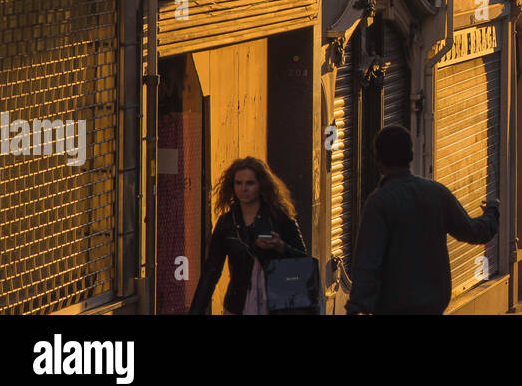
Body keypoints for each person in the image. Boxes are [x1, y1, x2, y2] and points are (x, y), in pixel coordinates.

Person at [346, 125, 499, 315]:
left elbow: (368, 263)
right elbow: (474, 231)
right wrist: (492, 212)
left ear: (378, 159)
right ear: (411, 155)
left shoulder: (378, 203)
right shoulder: (436, 193)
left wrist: (356, 307)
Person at [189, 157, 308, 315]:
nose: (243, 189)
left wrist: (280, 247)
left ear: (261, 185)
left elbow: (304, 261)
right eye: (238, 183)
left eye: (250, 183)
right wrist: (196, 310)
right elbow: (212, 270)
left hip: (277, 304)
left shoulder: (279, 218)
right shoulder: (227, 223)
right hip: (237, 304)